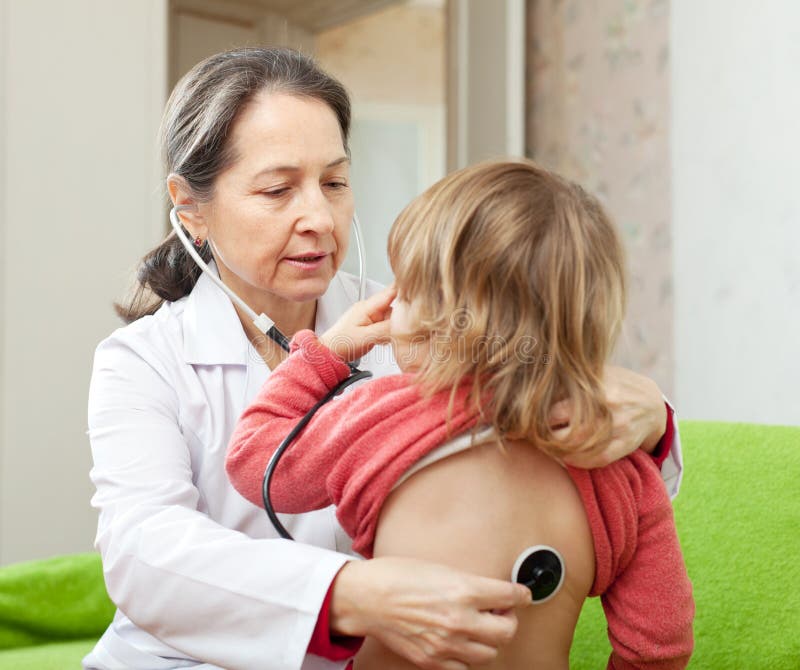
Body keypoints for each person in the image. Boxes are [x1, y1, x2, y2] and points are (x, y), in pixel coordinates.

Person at [86, 47, 682, 670]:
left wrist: (652, 424)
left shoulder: (428, 324)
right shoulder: (142, 360)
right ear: (191, 209)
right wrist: (352, 595)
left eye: (335, 183)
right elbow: (146, 555)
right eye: (278, 190)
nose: (320, 218)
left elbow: (590, 483)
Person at [225, 160, 695, 669]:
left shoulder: (384, 419)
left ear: (439, 318)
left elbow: (253, 460)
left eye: (403, 292)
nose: (390, 306)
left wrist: (325, 353)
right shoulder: (620, 469)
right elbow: (660, 645)